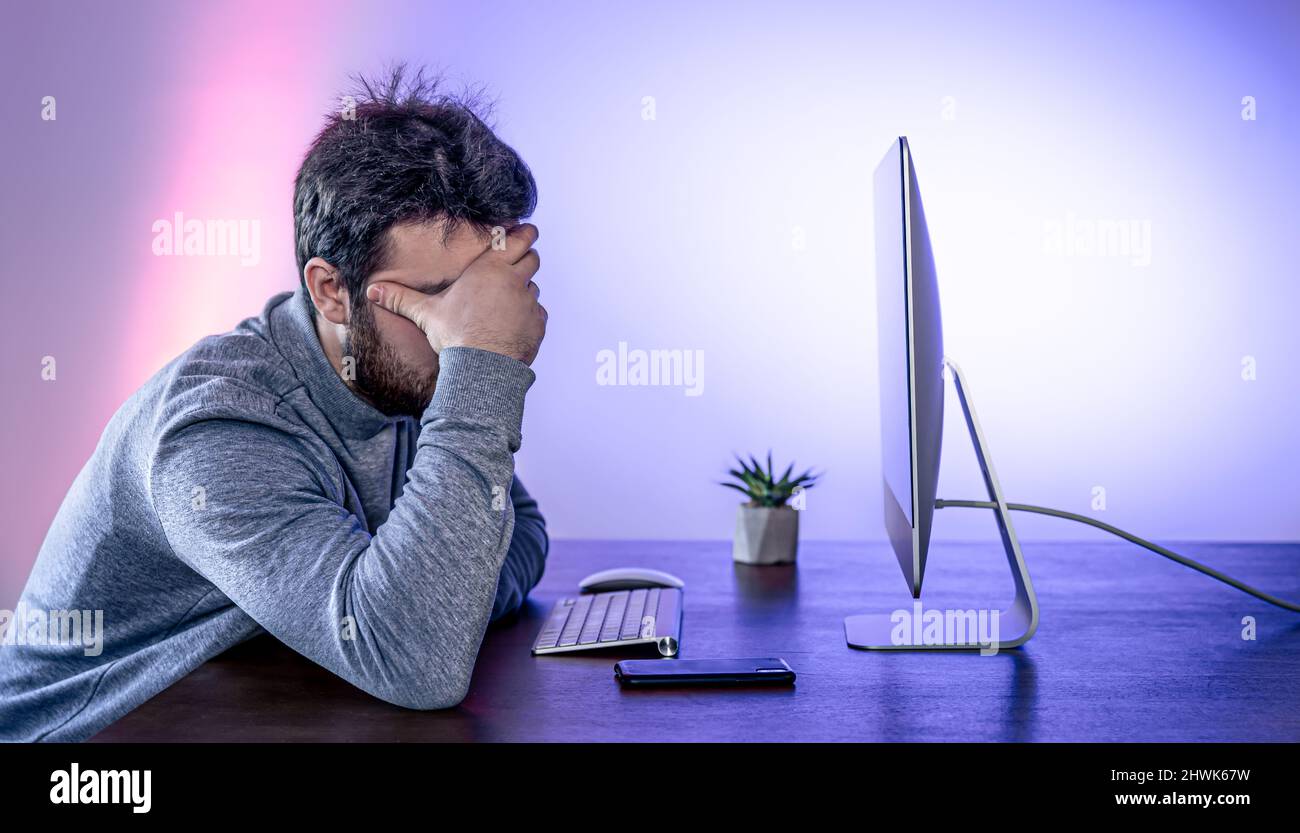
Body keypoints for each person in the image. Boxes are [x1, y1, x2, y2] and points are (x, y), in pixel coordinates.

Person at [0, 66, 549, 742]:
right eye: (442, 302)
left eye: (483, 300)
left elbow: (522, 531)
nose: (466, 331)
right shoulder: (215, 429)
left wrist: (423, 597)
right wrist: (483, 368)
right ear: (331, 290)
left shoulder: (398, 379)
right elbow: (418, 659)